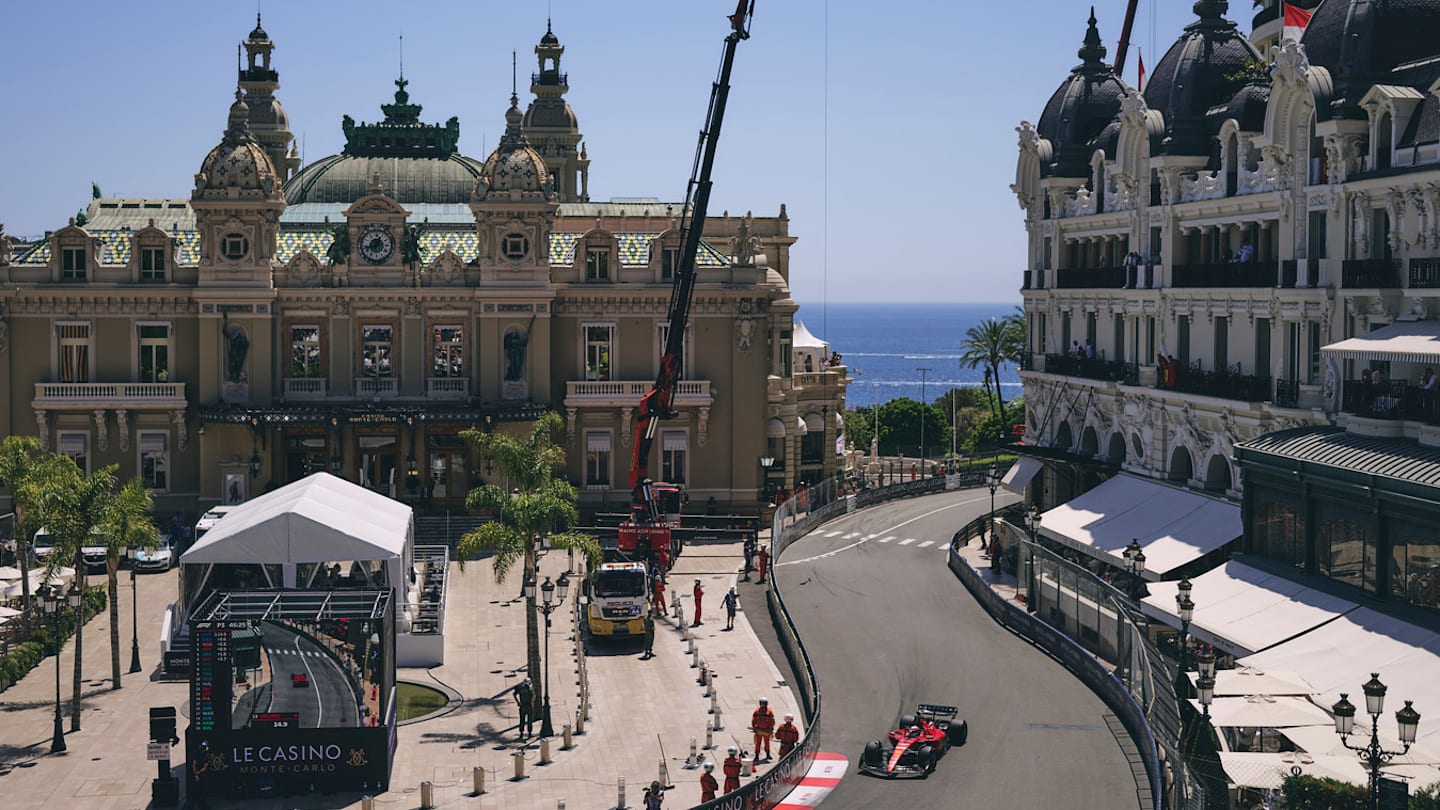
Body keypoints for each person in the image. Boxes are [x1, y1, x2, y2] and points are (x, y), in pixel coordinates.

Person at [190, 742, 212, 809]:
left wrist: (195, 774)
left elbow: (193, 765)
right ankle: (202, 806)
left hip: (197, 776)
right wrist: (198, 773)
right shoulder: (206, 756)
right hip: (202, 776)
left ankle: (199, 805)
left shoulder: (196, 754)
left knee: (198, 792)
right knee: (203, 792)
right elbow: (204, 767)